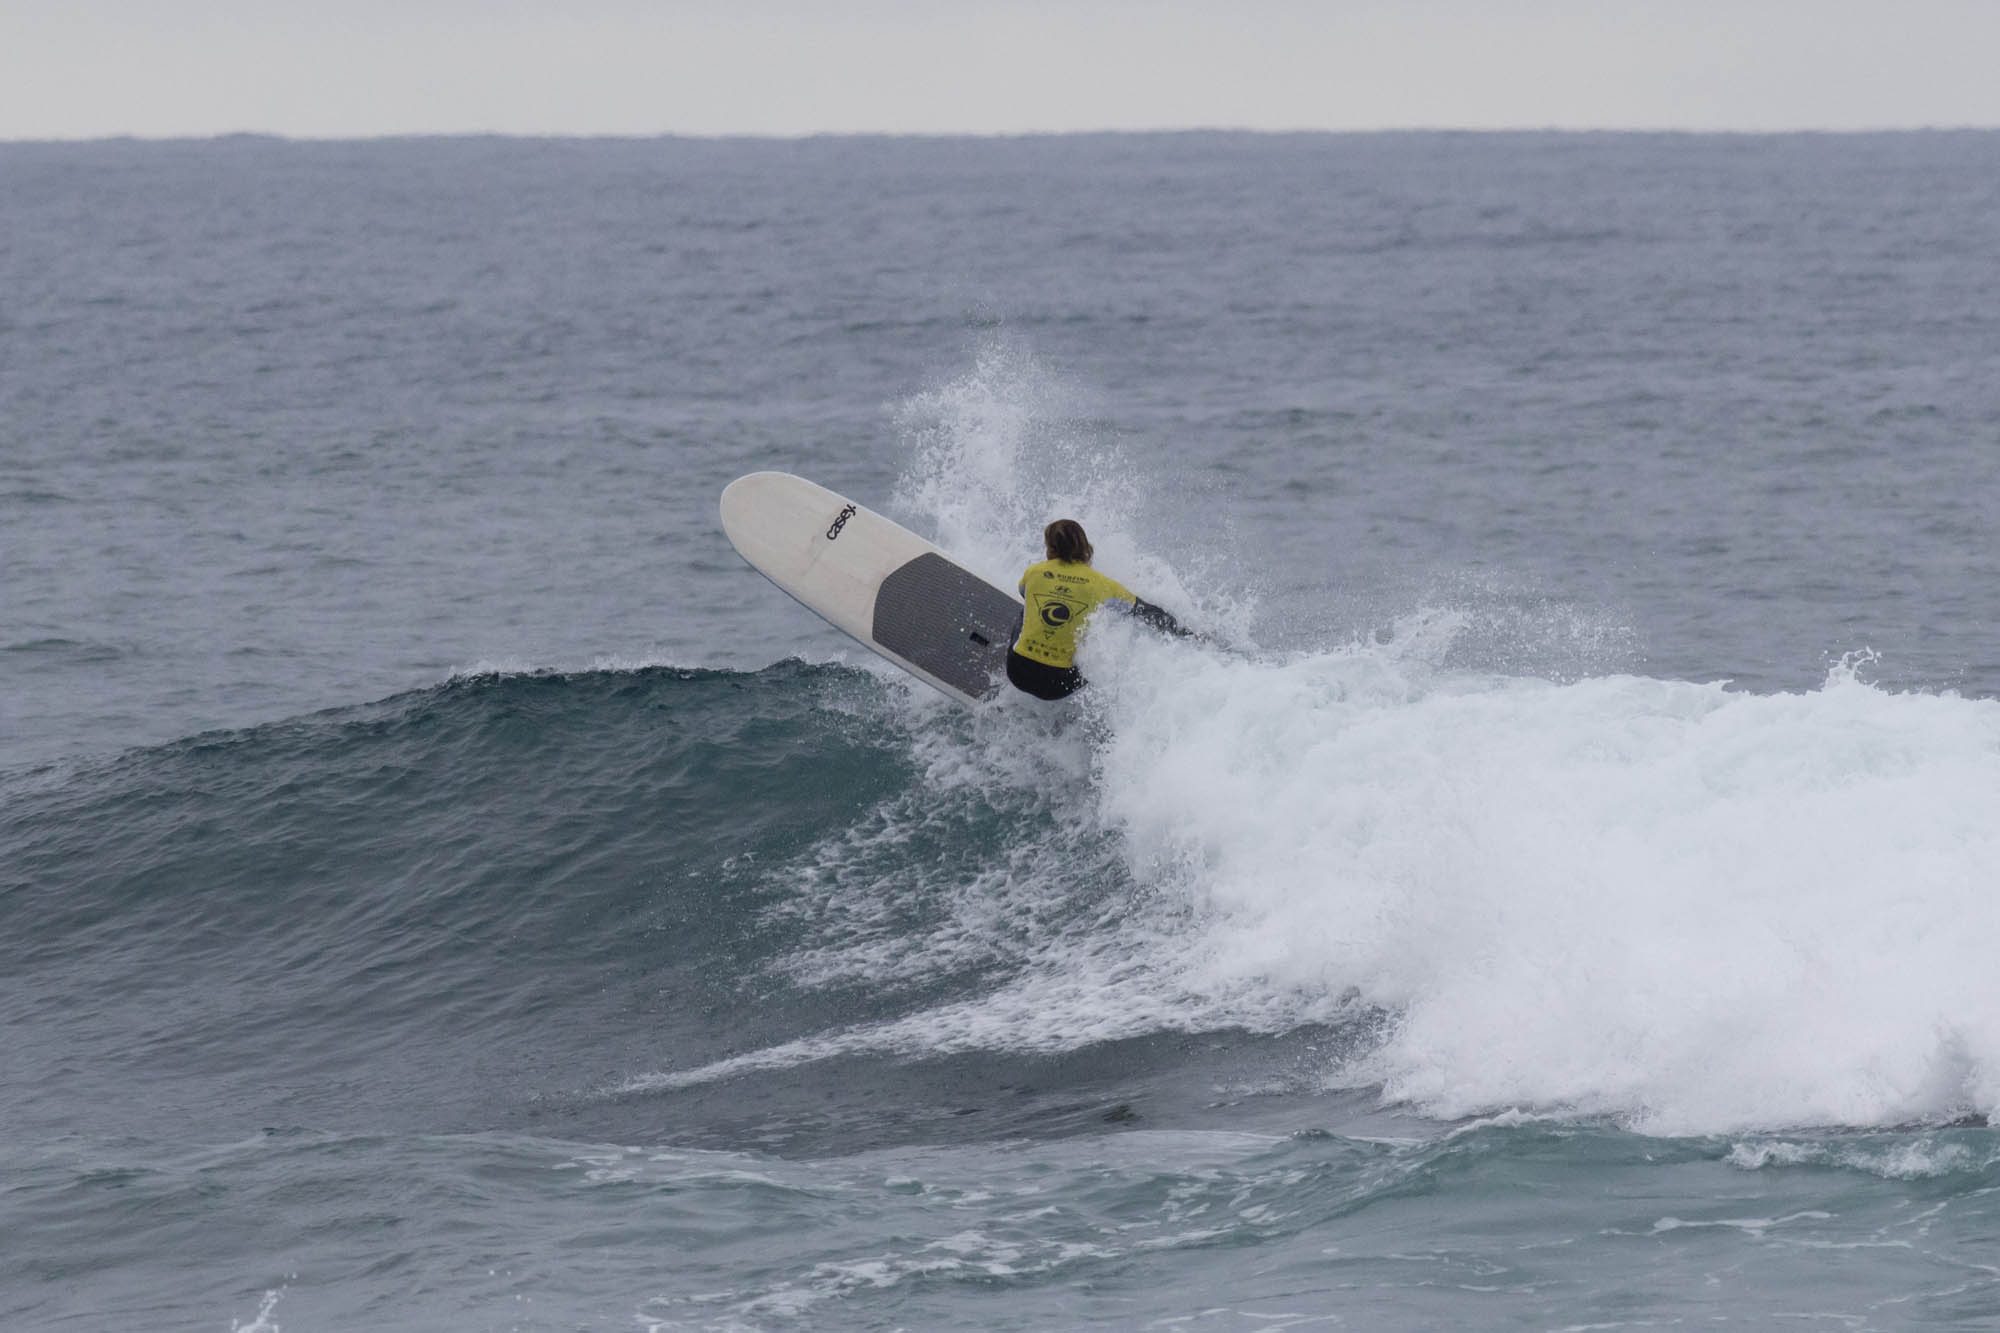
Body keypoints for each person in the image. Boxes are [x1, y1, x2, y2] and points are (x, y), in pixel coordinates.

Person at [1005, 518, 1190, 700]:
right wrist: (1183, 632)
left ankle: (1025, 646)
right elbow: (1147, 612)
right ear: (1085, 548)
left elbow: (1023, 592)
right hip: (1059, 686)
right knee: (1099, 627)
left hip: (1017, 671)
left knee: (1029, 605)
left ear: (1051, 549)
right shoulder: (1103, 585)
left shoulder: (1034, 571)